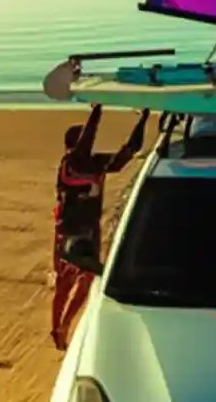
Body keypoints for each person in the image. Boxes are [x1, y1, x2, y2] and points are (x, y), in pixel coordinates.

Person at [50, 102, 150, 350]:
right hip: (70, 230)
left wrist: (143, 120)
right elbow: (87, 141)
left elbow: (129, 151)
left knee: (82, 281)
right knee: (69, 281)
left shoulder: (92, 164)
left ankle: (62, 326)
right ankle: (58, 327)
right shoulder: (70, 164)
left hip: (83, 230)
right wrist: (97, 111)